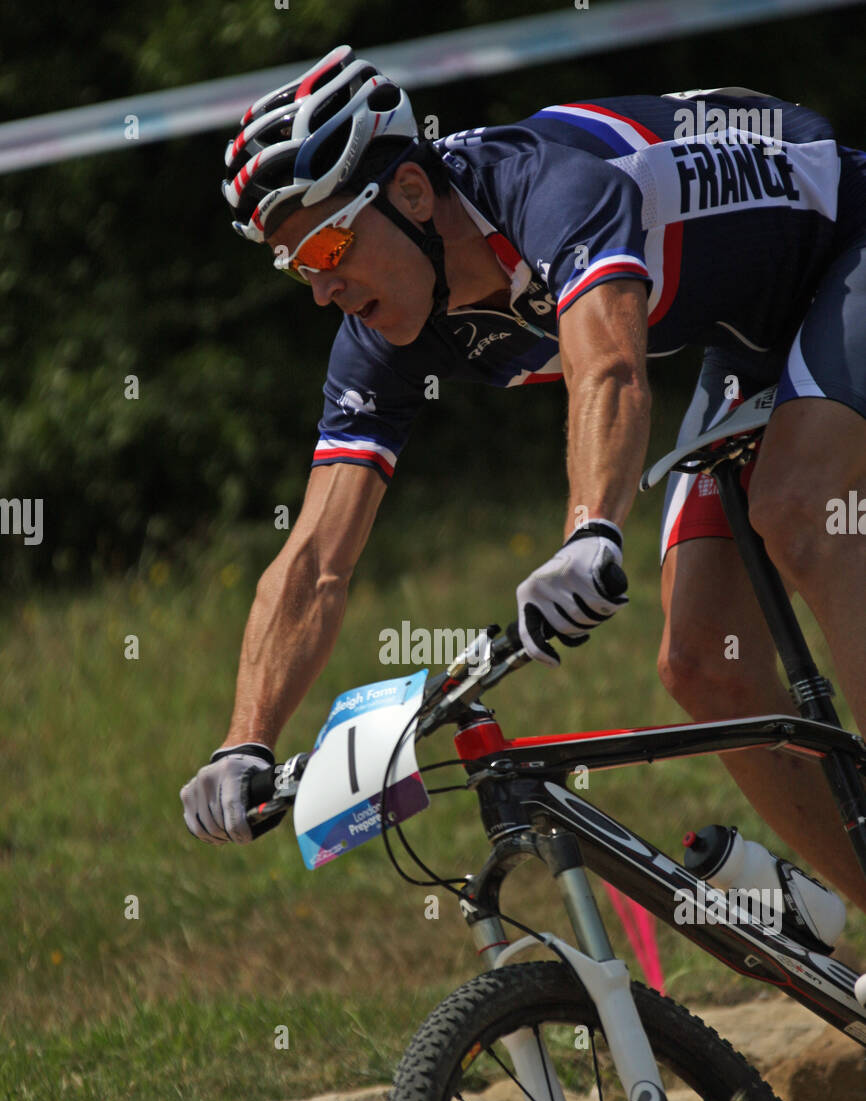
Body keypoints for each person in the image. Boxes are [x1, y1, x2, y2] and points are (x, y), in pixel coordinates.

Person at [181, 45, 866, 921]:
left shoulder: (552, 190)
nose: (321, 288)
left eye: (327, 244)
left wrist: (590, 534)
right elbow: (316, 555)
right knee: (700, 664)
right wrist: (246, 740)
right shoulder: (381, 337)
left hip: (847, 232)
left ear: (414, 195)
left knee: (796, 509)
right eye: (297, 265)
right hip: (751, 335)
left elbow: (609, 370)